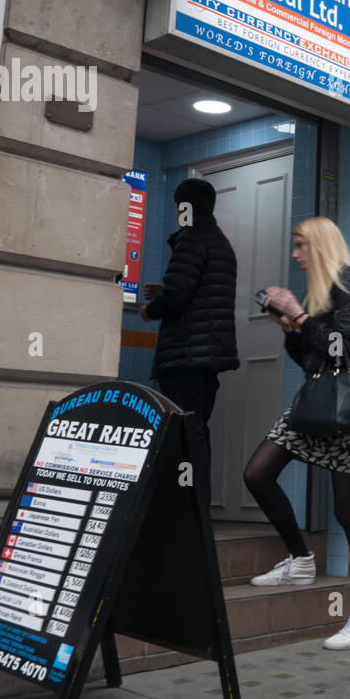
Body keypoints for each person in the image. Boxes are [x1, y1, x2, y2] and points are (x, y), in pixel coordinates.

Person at [241, 217, 350, 650]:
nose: (295, 254)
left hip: (340, 408)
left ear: (319, 245)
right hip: (315, 398)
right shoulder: (318, 291)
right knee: (257, 473)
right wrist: (291, 328)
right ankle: (301, 559)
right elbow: (312, 357)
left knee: (349, 511)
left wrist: (301, 317)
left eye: (301, 245)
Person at [139, 178, 238, 505]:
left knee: (186, 430)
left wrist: (150, 309)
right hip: (209, 355)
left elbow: (179, 293)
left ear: (184, 207)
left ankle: (191, 507)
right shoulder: (220, 242)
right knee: (196, 427)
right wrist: (164, 292)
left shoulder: (191, 237)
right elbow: (198, 289)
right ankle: (197, 505)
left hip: (184, 354)